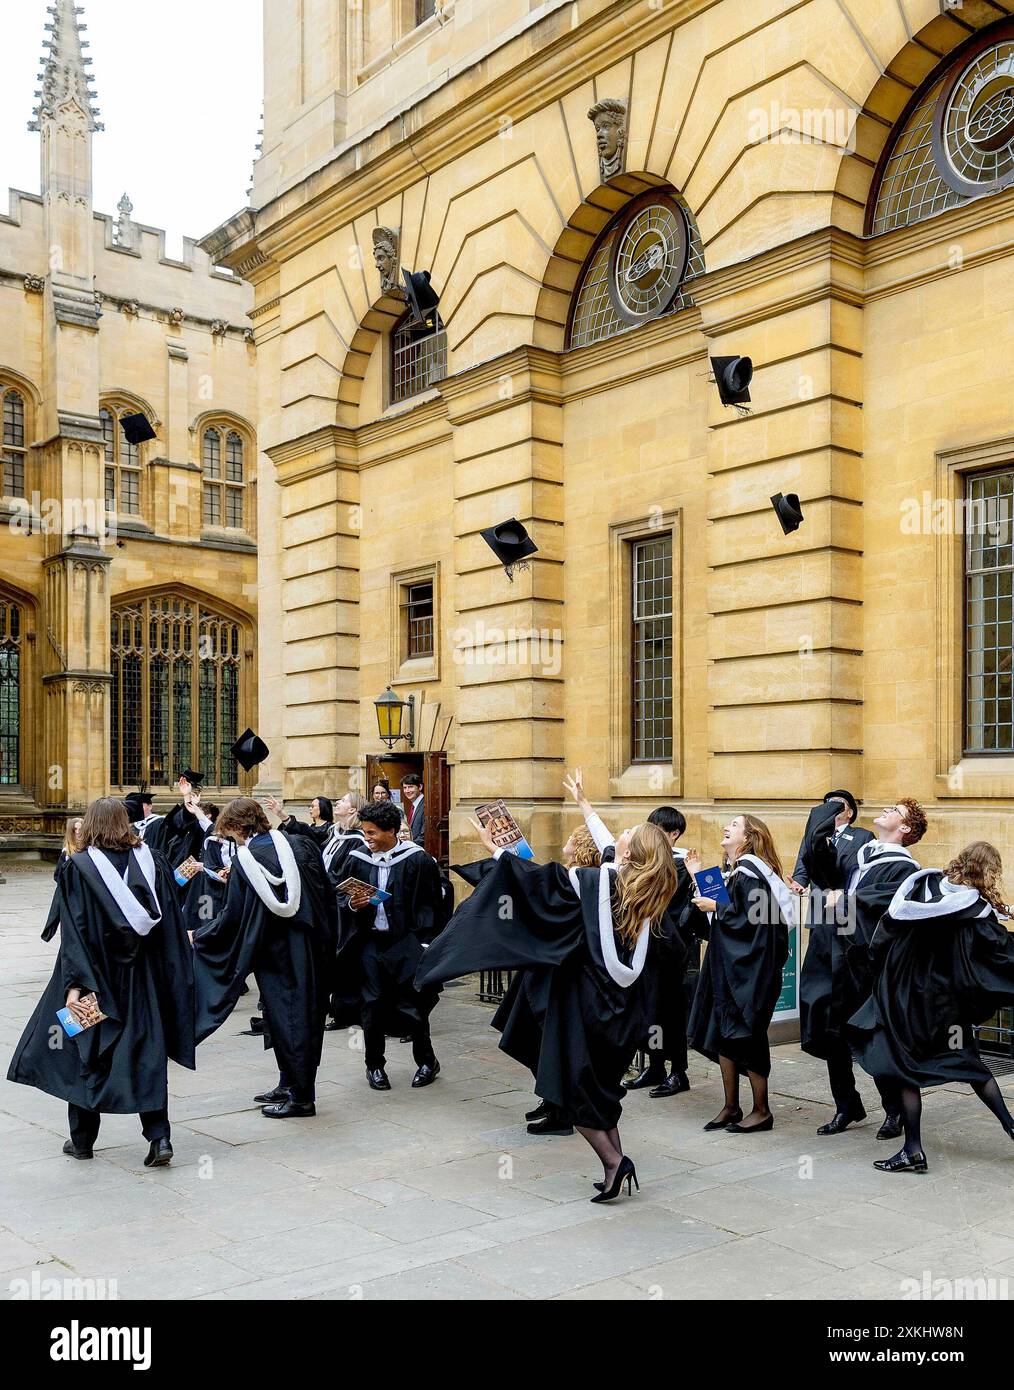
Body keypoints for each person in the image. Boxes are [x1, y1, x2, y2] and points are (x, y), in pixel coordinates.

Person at [418, 820, 680, 1203]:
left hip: (584, 1010)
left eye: (626, 832)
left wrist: (496, 849)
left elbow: (533, 883)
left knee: (574, 1090)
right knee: (600, 1091)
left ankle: (613, 1163)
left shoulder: (591, 885)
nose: (620, 832)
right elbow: (672, 956)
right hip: (625, 1017)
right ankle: (616, 1164)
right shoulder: (649, 900)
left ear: (626, 852)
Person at [7, 798, 195, 1167]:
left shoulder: (79, 866)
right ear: (125, 823)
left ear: (91, 824)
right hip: (142, 982)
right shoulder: (153, 861)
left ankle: (82, 1141)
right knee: (147, 1054)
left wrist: (74, 985)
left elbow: (74, 931)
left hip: (95, 982)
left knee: (85, 1052)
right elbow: (171, 925)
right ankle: (159, 1139)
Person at [849, 843, 1014, 1175]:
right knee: (969, 1063)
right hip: (942, 1004)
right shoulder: (974, 910)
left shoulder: (920, 887)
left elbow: (883, 933)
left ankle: (913, 1150)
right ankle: (1011, 1127)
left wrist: (874, 970)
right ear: (989, 872)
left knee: (903, 1067)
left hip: (901, 995)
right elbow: (999, 954)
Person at [454, 820, 603, 1137]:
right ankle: (551, 1099)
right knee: (532, 1035)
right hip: (542, 973)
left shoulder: (576, 881)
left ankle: (562, 1113)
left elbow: (533, 880)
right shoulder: (577, 880)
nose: (565, 841)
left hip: (557, 979)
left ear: (579, 846)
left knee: (550, 1040)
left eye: (572, 838)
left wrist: (493, 847)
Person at [191, 798, 336, 1118]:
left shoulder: (247, 860)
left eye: (230, 833)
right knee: (300, 1017)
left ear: (238, 827)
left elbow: (233, 917)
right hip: (311, 946)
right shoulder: (300, 844)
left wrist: (199, 935)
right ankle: (290, 1082)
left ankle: (301, 1098)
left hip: (276, 954)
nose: (231, 839)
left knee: (288, 1019)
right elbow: (328, 894)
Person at [564, 769, 697, 1099]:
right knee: (649, 1011)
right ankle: (654, 1067)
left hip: (672, 950)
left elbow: (718, 900)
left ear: (673, 834)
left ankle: (678, 1071)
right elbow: (605, 840)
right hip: (644, 951)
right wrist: (582, 801)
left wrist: (698, 876)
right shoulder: (634, 859)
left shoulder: (689, 861)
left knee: (670, 1014)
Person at [812, 799, 927, 1140]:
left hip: (869, 962)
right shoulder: (861, 853)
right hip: (837, 953)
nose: (888, 810)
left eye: (896, 811)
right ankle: (846, 1104)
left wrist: (846, 901)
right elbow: (819, 864)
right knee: (833, 1033)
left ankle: (893, 1110)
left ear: (905, 828)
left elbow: (887, 903)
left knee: (873, 1036)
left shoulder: (905, 868)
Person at [685, 815, 792, 1133]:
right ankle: (731, 1106)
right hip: (727, 965)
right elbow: (723, 909)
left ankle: (762, 1110)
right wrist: (697, 876)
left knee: (749, 1034)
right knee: (722, 1032)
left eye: (735, 824)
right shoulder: (737, 871)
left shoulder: (753, 871)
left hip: (751, 971)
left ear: (750, 836)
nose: (727, 826)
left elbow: (758, 917)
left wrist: (716, 907)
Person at [335, 799, 445, 1091]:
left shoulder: (417, 859)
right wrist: (353, 905)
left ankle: (427, 1061)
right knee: (371, 1005)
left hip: (405, 943)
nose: (367, 839)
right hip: (371, 942)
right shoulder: (358, 858)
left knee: (414, 1005)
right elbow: (340, 899)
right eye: (365, 832)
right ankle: (374, 1066)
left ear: (392, 831)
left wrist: (424, 943)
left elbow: (431, 905)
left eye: (372, 833)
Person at [265, 793, 335, 851]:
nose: (310, 808)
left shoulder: (331, 828)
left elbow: (309, 833)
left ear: (323, 808)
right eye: (310, 806)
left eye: (313, 806)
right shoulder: (310, 827)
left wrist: (281, 814)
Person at [401, 772, 425, 847]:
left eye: (410, 787)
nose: (407, 791)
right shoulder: (414, 805)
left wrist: (409, 847)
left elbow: (424, 835)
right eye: (405, 788)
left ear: (420, 787)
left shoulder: (425, 805)